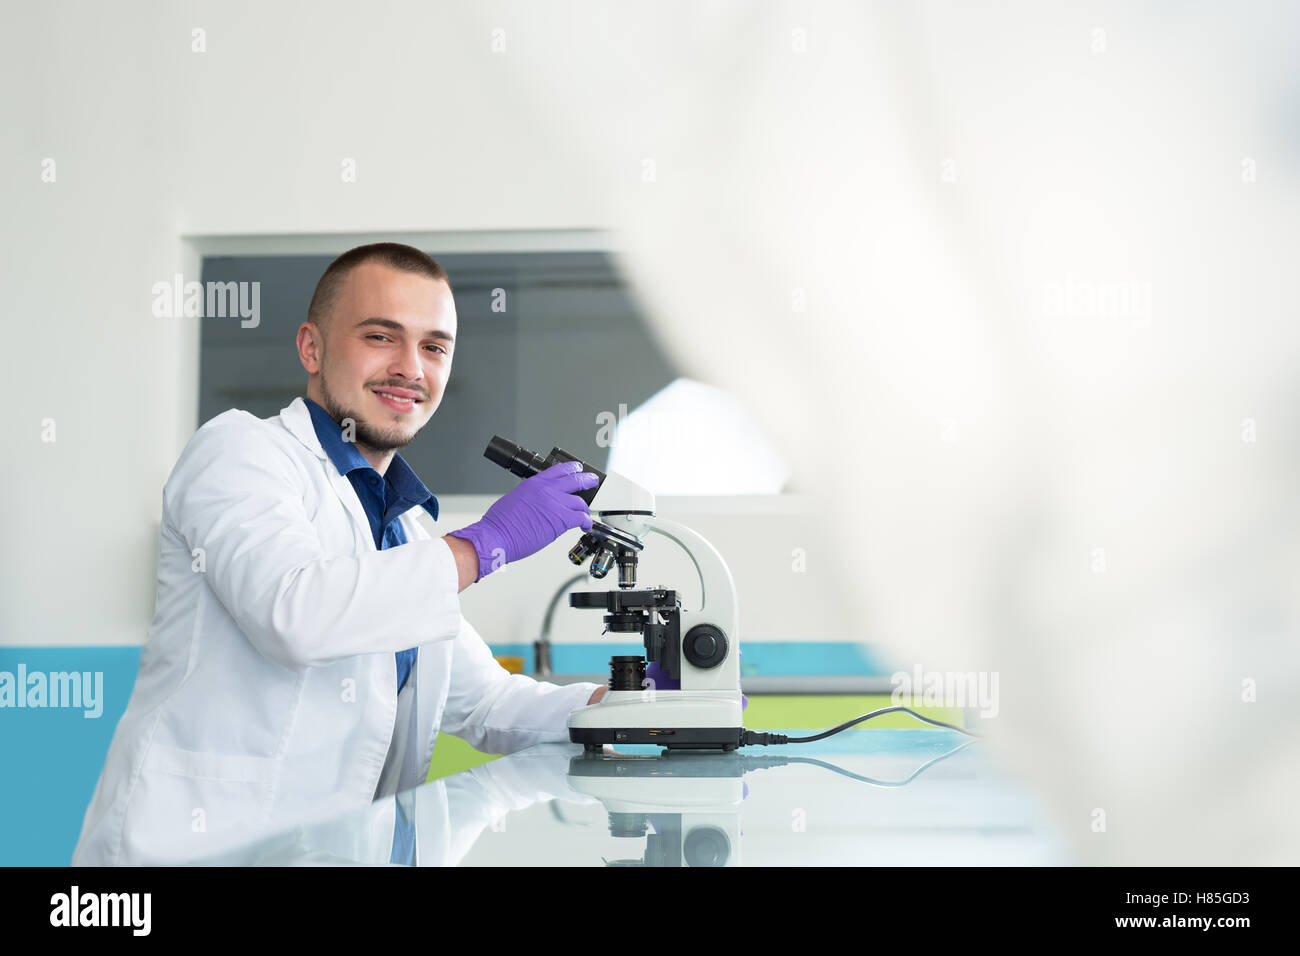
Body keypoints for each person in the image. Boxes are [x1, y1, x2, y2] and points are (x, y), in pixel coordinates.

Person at [72, 242, 607, 866]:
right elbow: (294, 614)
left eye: (434, 347)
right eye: (382, 336)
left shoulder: (400, 530)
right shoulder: (238, 451)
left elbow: (486, 703)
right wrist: (485, 546)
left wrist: (632, 707)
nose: (411, 368)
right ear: (312, 348)